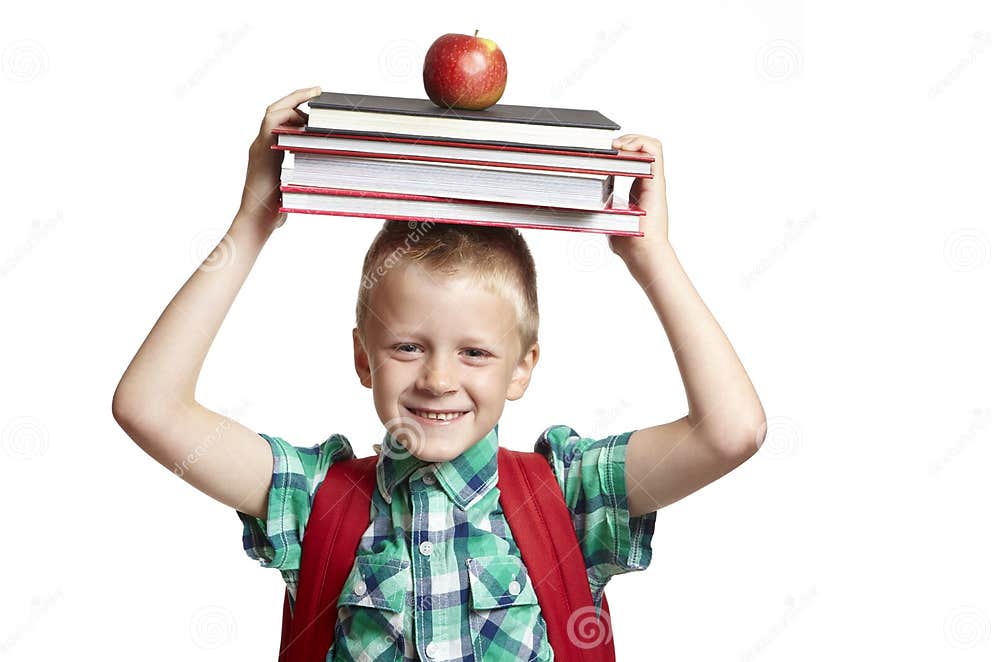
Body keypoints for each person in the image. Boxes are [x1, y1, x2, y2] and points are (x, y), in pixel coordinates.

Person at [112, 86, 767, 661]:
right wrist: (253, 222)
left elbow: (731, 432)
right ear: (363, 359)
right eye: (407, 347)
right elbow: (150, 406)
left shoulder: (568, 500)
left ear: (522, 368)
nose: (438, 378)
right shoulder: (315, 503)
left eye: (475, 352)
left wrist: (654, 257)